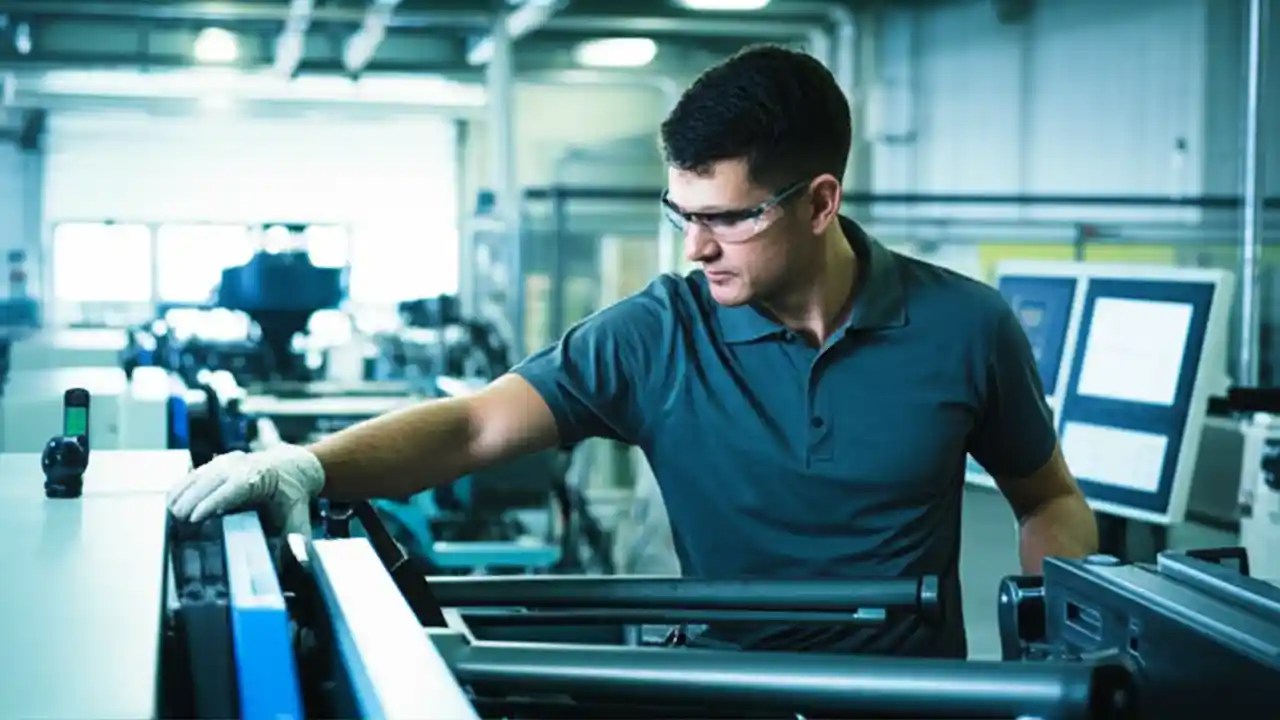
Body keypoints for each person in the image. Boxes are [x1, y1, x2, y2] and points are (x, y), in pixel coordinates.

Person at [167, 44, 1098, 659]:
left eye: (726, 219)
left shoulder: (966, 327)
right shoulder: (660, 333)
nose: (695, 249)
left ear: (819, 203)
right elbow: (477, 424)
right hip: (718, 701)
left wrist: (1048, 652)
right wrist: (309, 465)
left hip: (914, 709)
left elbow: (1047, 497)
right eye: (681, 215)